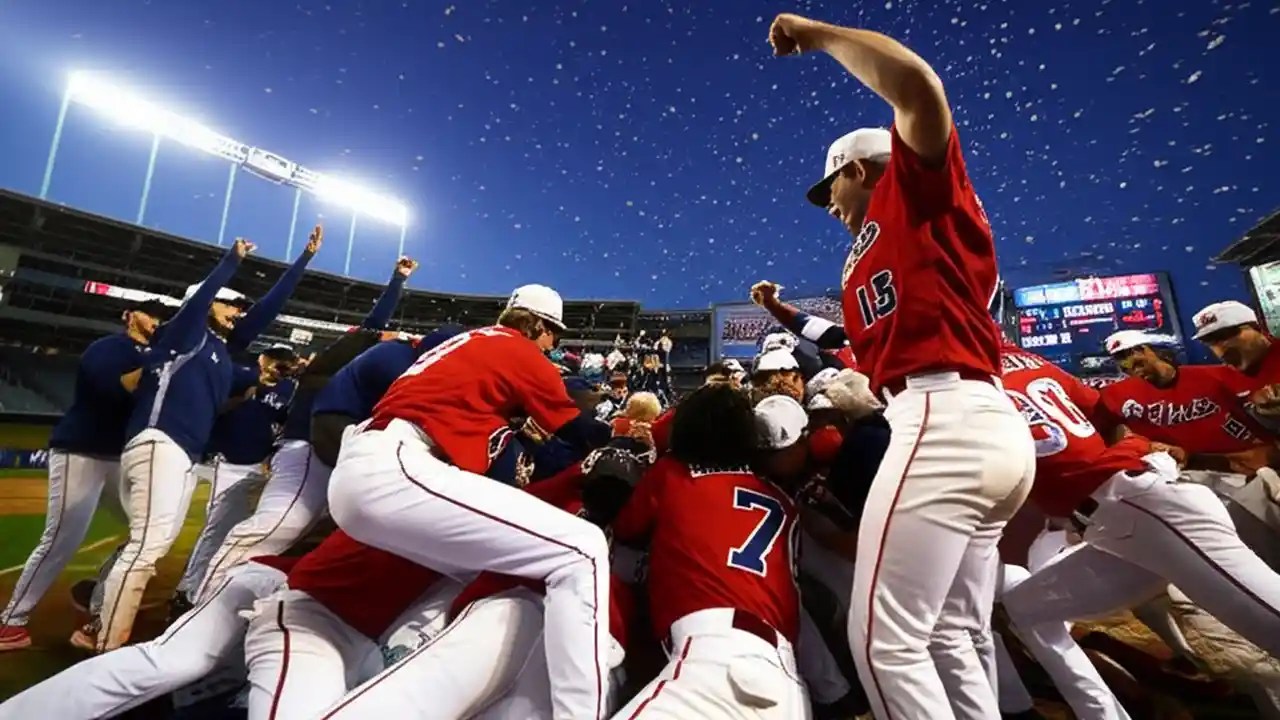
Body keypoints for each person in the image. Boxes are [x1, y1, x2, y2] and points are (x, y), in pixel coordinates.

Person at [769, 13, 1035, 718]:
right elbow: (848, 340)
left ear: (857, 170)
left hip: (940, 421)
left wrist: (816, 34)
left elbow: (919, 89)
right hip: (978, 422)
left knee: (883, 644)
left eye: (830, 191)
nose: (828, 206)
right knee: (951, 630)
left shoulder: (910, 189)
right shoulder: (881, 243)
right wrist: (783, 317)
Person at [326, 284, 612, 720]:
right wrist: (625, 437)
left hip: (377, 464)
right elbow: (579, 431)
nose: (554, 342)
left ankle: (387, 671)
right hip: (399, 463)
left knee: (482, 569)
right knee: (583, 550)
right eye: (552, 331)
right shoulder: (517, 349)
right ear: (533, 323)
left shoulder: (474, 341)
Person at [997, 343, 1280, 718]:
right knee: (1025, 607)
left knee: (1269, 620)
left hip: (1136, 502)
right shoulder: (1021, 358)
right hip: (1117, 518)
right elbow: (1104, 412)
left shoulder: (954, 379)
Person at [91, 229, 318, 653]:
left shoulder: (220, 350)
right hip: (160, 442)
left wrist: (303, 260)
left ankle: (97, 614)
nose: (238, 312)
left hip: (184, 453)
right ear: (206, 303)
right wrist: (231, 262)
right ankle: (105, 641)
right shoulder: (186, 334)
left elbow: (266, 312)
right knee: (148, 546)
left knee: (149, 544)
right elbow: (199, 302)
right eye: (230, 303)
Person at [185, 257, 420, 606]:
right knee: (272, 527)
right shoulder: (329, 366)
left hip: (307, 456)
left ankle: (218, 600)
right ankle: (198, 599)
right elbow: (372, 325)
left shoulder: (323, 378)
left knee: (300, 540)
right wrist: (396, 283)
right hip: (301, 453)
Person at [611, 383, 810, 719]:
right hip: (787, 675)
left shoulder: (672, 474)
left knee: (615, 561)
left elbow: (626, 530)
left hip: (708, 655)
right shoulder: (783, 501)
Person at [0, 299, 169, 652]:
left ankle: (99, 597)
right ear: (129, 316)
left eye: (160, 317)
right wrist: (157, 362)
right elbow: (113, 389)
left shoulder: (160, 356)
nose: (154, 321)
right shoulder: (108, 348)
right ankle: (12, 622)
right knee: (62, 537)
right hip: (82, 450)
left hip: (121, 456)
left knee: (145, 535)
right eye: (148, 313)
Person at [174, 344, 303, 609]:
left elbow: (283, 425)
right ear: (263, 358)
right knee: (216, 531)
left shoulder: (287, 390)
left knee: (243, 533)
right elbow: (214, 406)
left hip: (259, 468)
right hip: (226, 464)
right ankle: (188, 589)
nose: (279, 366)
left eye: (285, 363)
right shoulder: (239, 375)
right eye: (276, 360)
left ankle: (218, 586)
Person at [1099, 329, 1273, 474]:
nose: (1132, 370)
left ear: (1146, 350)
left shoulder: (1214, 375)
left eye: (1135, 362)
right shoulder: (1120, 395)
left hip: (1251, 464)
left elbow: (1261, 398)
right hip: (1189, 472)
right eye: (1124, 366)